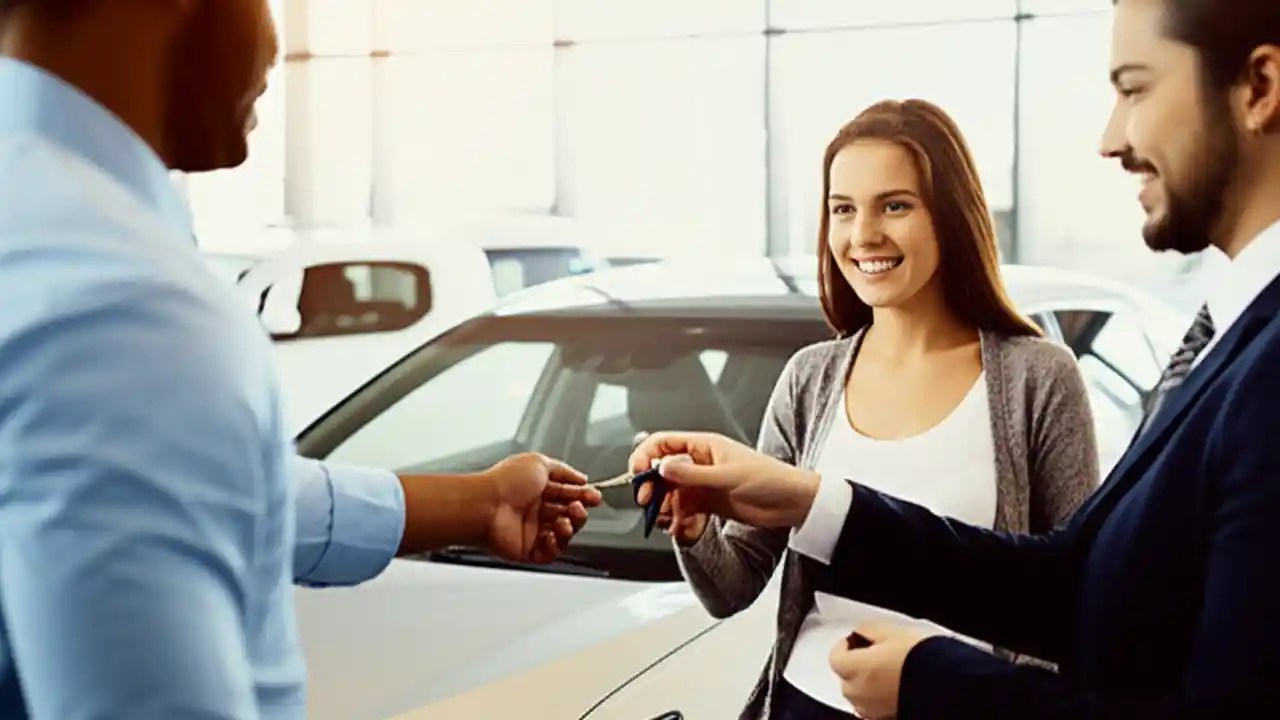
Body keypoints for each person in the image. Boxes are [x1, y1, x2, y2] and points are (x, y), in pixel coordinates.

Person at [632, 0, 1280, 716]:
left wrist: (931, 683)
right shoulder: (1231, 330)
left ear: (1260, 87)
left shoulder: (1052, 374)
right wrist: (805, 500)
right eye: (842, 208)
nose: (1108, 139)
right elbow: (1079, 577)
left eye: (1134, 88)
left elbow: (1098, 615)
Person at [0, 1, 600, 718]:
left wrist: (484, 501)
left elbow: (217, 493)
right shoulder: (123, 302)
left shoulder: (39, 225)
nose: (275, 43)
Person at [655, 99, 1098, 720]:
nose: (863, 235)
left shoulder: (1039, 377)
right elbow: (732, 588)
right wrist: (695, 525)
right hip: (807, 704)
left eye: (895, 205)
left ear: (950, 214)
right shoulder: (809, 378)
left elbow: (1078, 594)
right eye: (843, 209)